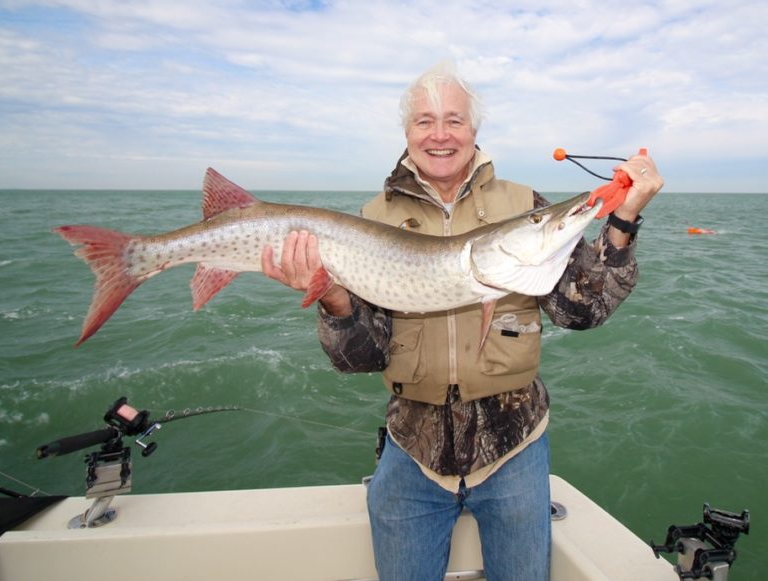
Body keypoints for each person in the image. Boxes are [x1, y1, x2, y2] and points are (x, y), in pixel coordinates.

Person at [261, 62, 664, 581]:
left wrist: (623, 219)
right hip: (412, 453)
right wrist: (333, 295)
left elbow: (581, 309)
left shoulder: (523, 205)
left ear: (475, 132)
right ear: (407, 133)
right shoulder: (373, 219)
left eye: (454, 120)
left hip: (515, 448)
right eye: (424, 121)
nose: (440, 134)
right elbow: (360, 357)